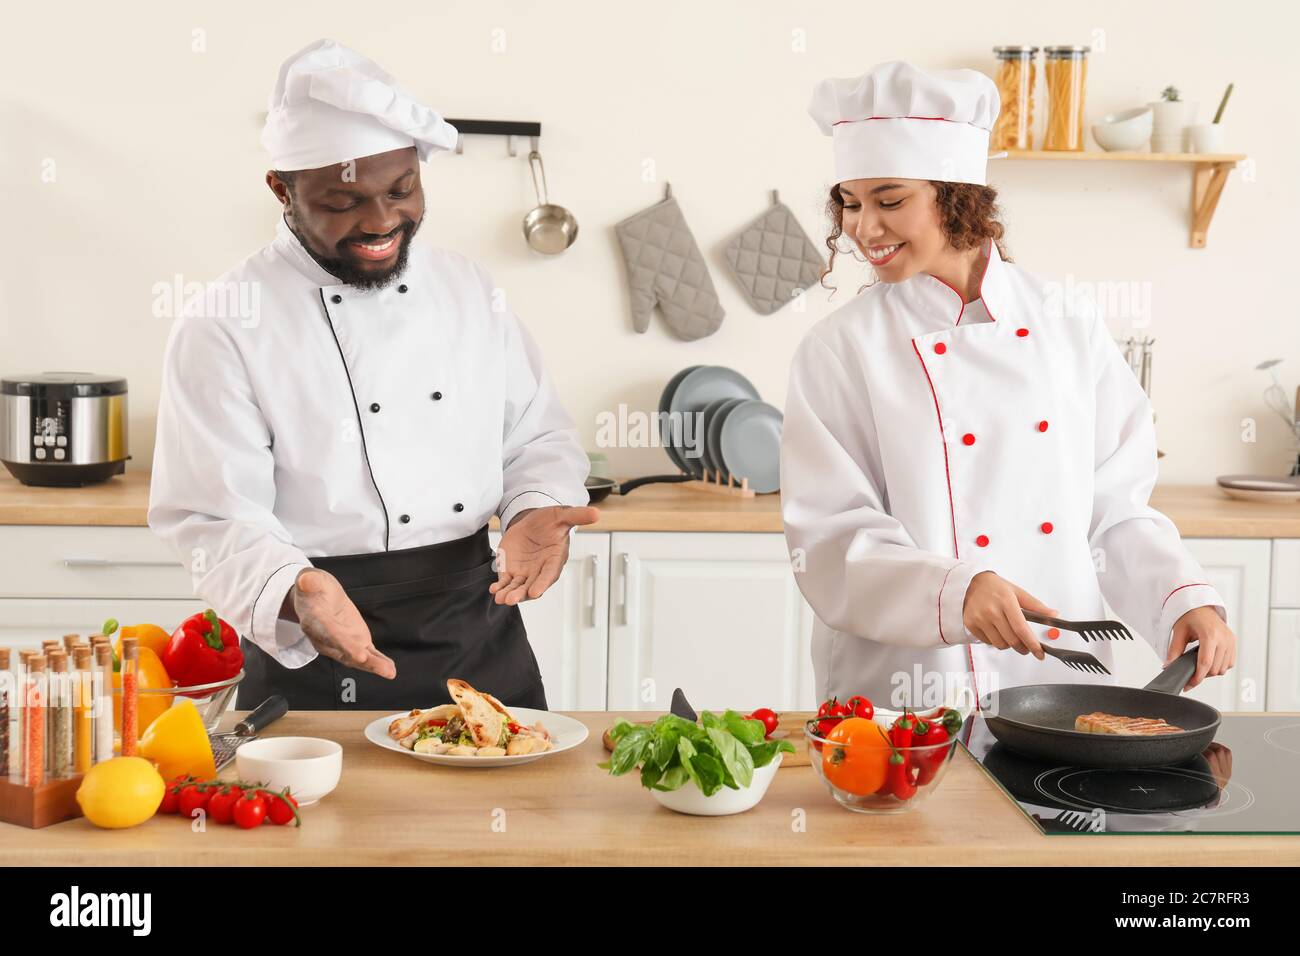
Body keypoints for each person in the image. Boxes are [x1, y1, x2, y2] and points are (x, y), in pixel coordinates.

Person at [149, 39, 597, 711]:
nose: (382, 221)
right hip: (316, 637)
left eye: (401, 190)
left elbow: (536, 437)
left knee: (501, 814)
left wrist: (534, 505)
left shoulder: (468, 289)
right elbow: (213, 516)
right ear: (281, 189)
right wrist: (294, 592)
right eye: (342, 202)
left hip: (475, 632)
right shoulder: (224, 321)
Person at [781, 61, 1236, 709]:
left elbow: (1115, 508)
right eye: (849, 204)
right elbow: (829, 538)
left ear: (958, 194)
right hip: (909, 692)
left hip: (1063, 684)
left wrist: (1183, 601)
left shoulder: (1067, 322)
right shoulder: (839, 348)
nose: (863, 228)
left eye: (889, 200)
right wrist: (956, 589)